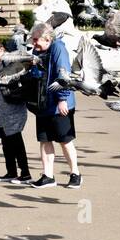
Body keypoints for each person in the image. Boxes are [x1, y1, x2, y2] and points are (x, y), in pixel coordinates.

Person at [29, 26, 80, 189]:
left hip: (59, 104)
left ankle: (75, 174)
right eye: (33, 39)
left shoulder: (58, 48)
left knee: (64, 140)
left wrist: (62, 99)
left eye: (36, 39)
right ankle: (48, 176)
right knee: (45, 140)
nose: (33, 42)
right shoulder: (37, 52)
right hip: (43, 103)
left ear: (47, 39)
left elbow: (63, 73)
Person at [0, 40, 31, 184]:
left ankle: (25, 174)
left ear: (2, 49)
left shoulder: (10, 60)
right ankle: (11, 171)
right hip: (0, 109)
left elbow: (16, 75)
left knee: (16, 141)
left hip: (13, 108)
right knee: (6, 142)